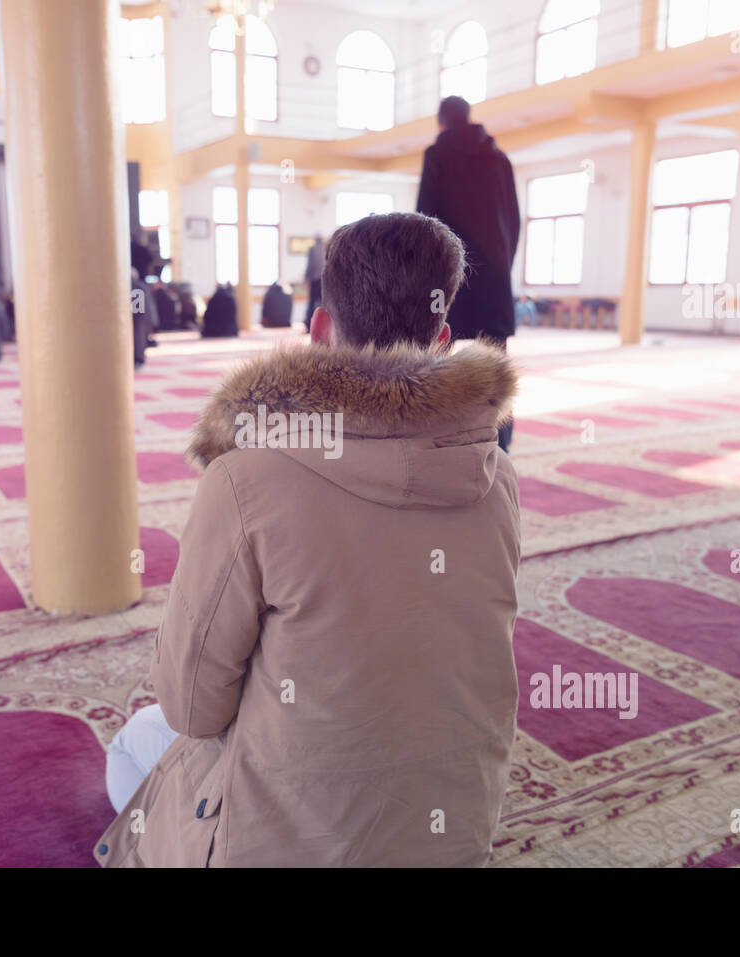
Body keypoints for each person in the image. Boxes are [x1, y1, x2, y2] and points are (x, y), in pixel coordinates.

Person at [96, 212, 522, 868]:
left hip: (281, 847)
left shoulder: (248, 478)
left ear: (319, 329)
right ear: (441, 339)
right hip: (454, 839)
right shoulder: (498, 478)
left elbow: (191, 706)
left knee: (133, 746)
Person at [417, 95, 522, 453]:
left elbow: (426, 219)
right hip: (493, 280)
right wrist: (501, 268)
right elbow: (514, 221)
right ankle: (499, 445)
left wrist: (428, 278)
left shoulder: (438, 155)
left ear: (441, 122)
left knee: (437, 358)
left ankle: (442, 442)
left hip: (449, 280)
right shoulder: (498, 159)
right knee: (497, 374)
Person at [303, 232, 325, 333]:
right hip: (325, 281)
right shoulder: (327, 248)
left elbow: (310, 265)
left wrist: (306, 280)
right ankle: (325, 328)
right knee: (325, 304)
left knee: (312, 304)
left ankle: (309, 327)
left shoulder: (312, 249)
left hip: (315, 280)